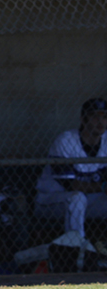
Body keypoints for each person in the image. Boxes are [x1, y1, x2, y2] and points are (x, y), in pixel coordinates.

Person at [34, 97, 107, 238]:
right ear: (83, 119)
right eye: (94, 116)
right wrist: (103, 187)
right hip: (52, 201)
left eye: (105, 117)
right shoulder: (66, 140)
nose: (101, 121)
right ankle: (76, 250)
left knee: (80, 199)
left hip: (90, 201)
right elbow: (70, 185)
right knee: (77, 198)